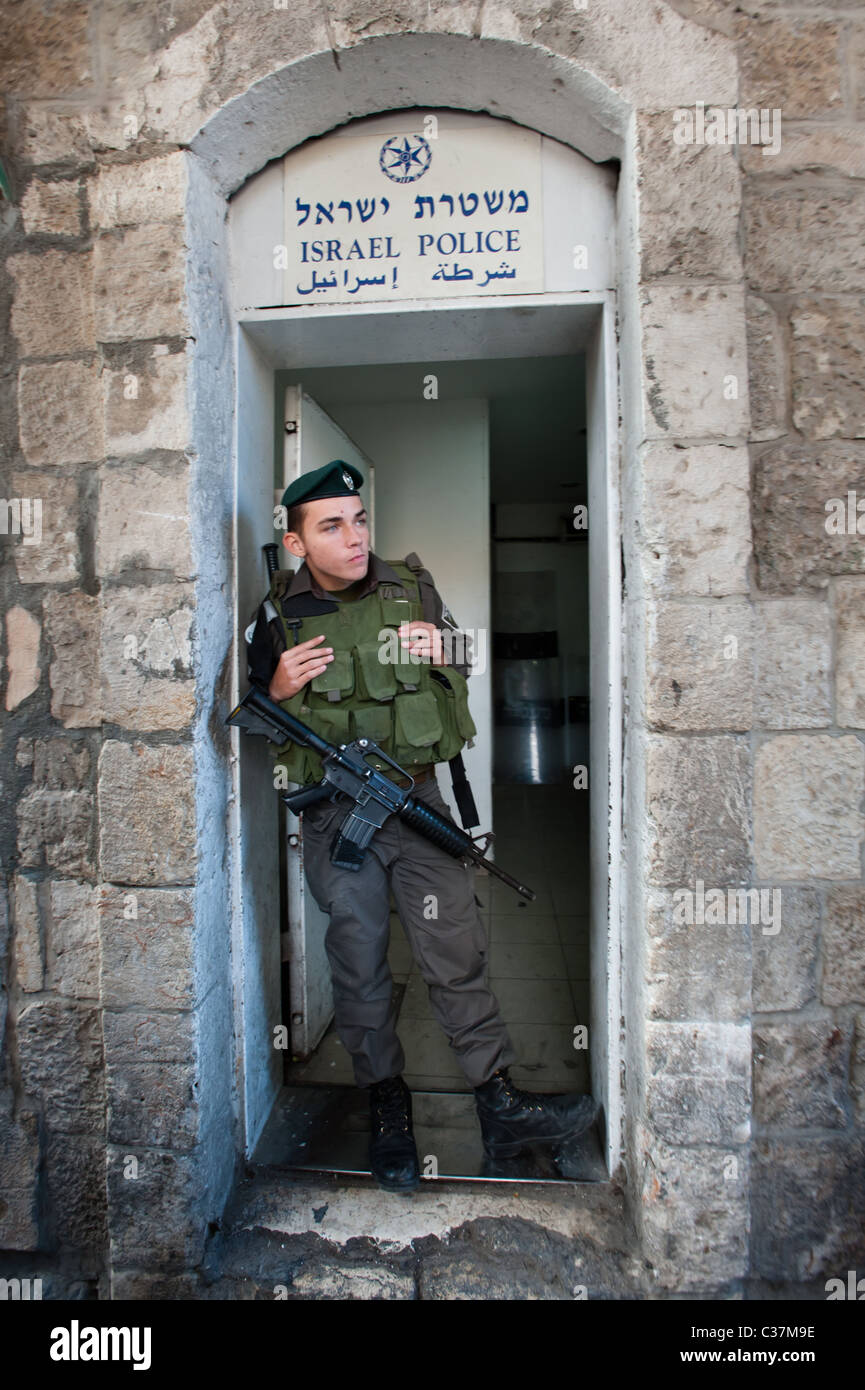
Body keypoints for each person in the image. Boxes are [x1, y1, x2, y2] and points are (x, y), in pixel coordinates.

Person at [245, 458, 599, 1193]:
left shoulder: (414, 588)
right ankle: (386, 1105)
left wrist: (451, 650)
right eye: (331, 525)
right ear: (297, 544)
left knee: (455, 952)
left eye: (360, 519)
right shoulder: (273, 618)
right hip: (335, 824)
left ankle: (498, 1103)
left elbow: (464, 658)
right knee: (360, 967)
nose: (353, 537)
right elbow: (249, 714)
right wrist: (275, 687)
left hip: (418, 804)